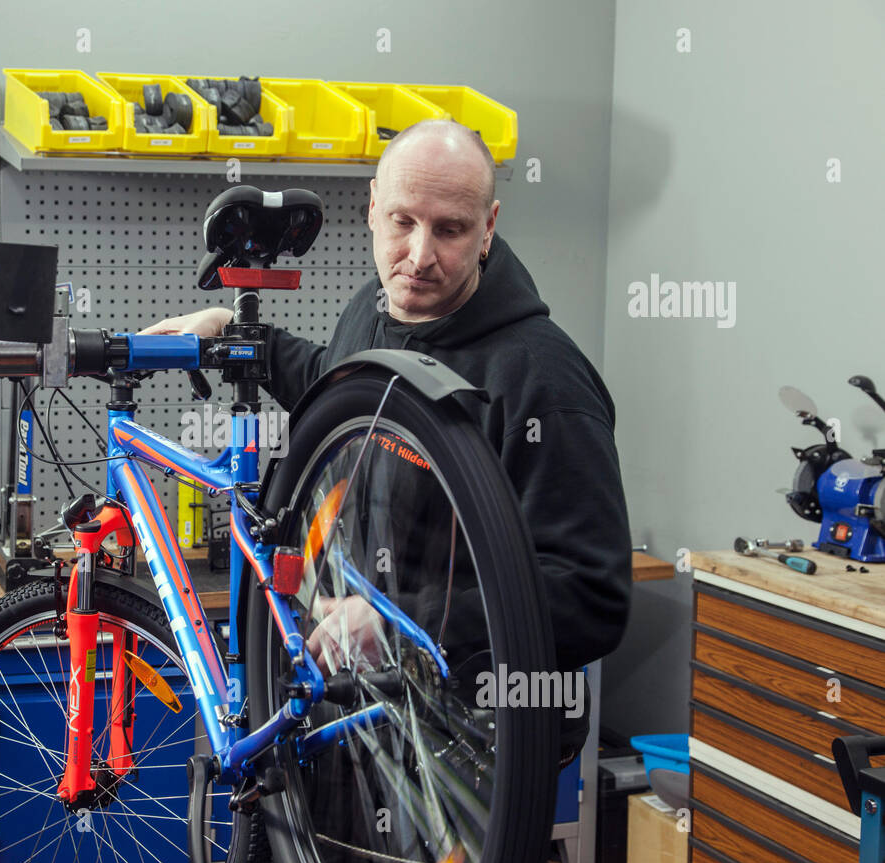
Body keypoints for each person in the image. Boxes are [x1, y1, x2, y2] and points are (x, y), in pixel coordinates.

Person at [144, 119, 632, 761]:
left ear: (488, 227)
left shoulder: (541, 379)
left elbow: (590, 594)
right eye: (403, 221)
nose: (420, 255)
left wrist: (405, 623)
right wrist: (239, 337)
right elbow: (341, 389)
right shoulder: (377, 307)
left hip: (474, 744)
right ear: (373, 207)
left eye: (450, 228)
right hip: (364, 713)